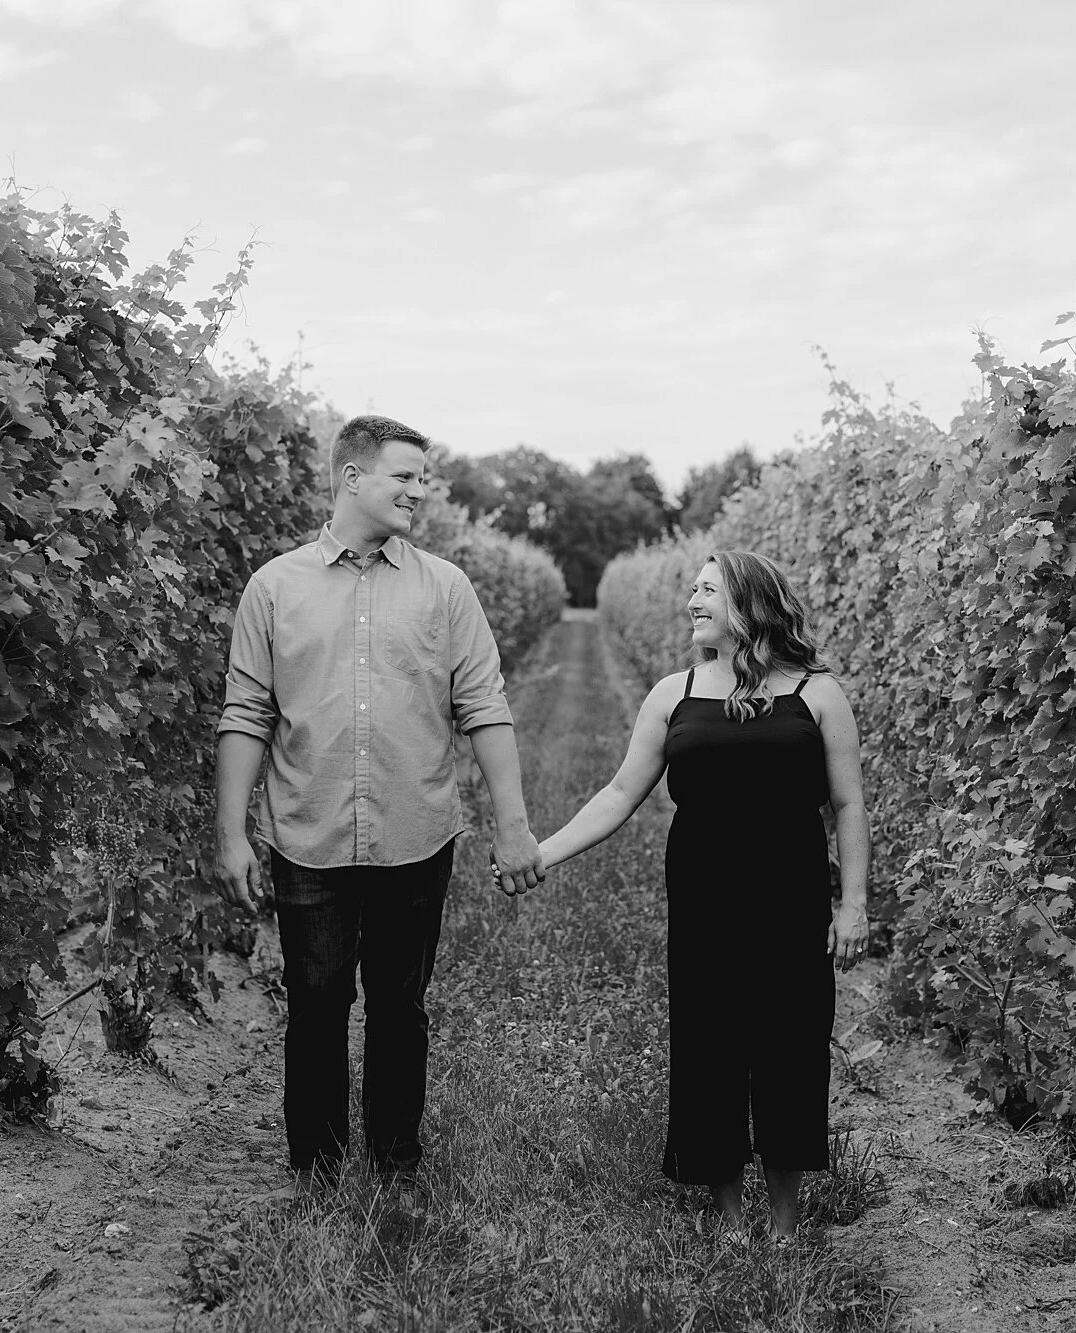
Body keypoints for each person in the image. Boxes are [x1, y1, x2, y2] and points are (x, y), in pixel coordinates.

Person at [212, 413, 546, 1189]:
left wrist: (514, 824)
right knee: (317, 1001)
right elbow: (246, 714)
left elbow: (485, 707)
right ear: (352, 477)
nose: (418, 494)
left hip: (416, 830)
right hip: (308, 829)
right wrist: (232, 832)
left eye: (421, 481)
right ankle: (317, 1166)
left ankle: (396, 1161)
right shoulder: (275, 587)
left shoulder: (445, 587)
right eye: (405, 477)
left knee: (401, 1005)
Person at [533, 549, 869, 1242]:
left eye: (707, 590)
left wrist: (854, 903)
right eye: (691, 587)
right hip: (703, 900)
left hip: (791, 900)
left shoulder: (818, 693)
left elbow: (847, 803)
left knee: (790, 1048)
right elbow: (622, 793)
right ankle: (729, 1215)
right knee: (708, 1045)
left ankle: (782, 1220)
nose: (691, 599)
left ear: (749, 604)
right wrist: (544, 852)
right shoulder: (674, 692)